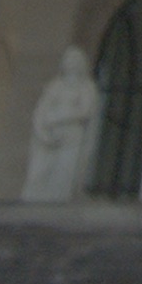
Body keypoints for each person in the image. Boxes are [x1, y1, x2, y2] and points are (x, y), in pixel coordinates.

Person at [21, 47, 101, 202]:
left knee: (64, 176)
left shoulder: (87, 87)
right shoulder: (55, 85)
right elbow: (40, 112)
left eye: (75, 60)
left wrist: (58, 117)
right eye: (69, 60)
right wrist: (43, 133)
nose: (71, 63)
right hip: (49, 138)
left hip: (71, 138)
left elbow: (85, 111)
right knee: (38, 176)